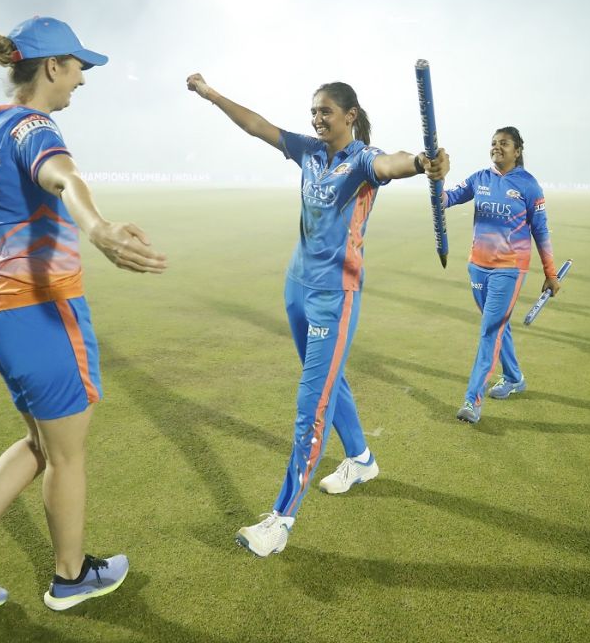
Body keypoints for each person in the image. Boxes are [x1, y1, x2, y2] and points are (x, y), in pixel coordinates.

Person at [0, 17, 167, 611]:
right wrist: (99, 226)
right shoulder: (33, 126)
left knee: (39, 443)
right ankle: (71, 577)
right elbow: (63, 175)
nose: (82, 79)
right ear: (51, 66)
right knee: (66, 455)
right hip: (41, 312)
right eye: (77, 66)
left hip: (1, 314)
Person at [185, 73, 448, 558]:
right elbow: (259, 127)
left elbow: (392, 164)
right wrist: (212, 94)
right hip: (296, 287)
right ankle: (362, 459)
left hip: (334, 295)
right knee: (330, 378)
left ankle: (280, 521)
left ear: (350, 115)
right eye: (313, 112)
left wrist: (420, 163)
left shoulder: (363, 161)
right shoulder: (309, 151)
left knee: (312, 404)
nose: (317, 118)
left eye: (325, 111)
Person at [442, 127, 562, 424]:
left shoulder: (528, 185)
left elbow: (541, 231)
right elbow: (447, 199)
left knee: (489, 331)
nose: (497, 148)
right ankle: (514, 376)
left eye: (504, 144)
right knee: (497, 325)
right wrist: (435, 179)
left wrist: (550, 272)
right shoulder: (479, 178)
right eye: (494, 144)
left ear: (517, 150)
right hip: (477, 266)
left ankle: (472, 400)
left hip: (509, 267)